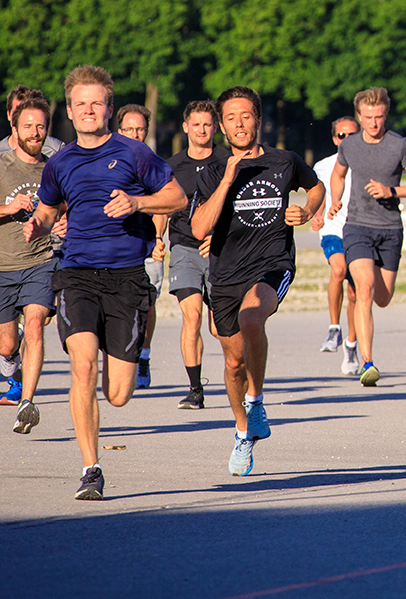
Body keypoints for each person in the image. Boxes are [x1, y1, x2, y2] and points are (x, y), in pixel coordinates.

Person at [23, 66, 185, 499]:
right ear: (70, 111)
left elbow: (177, 197)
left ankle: (114, 390)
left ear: (109, 109)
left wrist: (137, 202)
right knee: (83, 366)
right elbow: (48, 208)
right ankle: (90, 468)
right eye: (81, 104)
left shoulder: (135, 153)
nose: (89, 110)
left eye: (97, 103)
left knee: (118, 394)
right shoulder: (60, 162)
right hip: (76, 274)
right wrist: (39, 223)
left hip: (127, 279)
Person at [189, 87, 323, 477]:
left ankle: (257, 400)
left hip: (272, 263)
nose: (239, 124)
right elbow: (198, 228)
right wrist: (228, 179)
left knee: (252, 317)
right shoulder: (213, 170)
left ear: (258, 120)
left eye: (246, 116)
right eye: (231, 118)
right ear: (221, 126)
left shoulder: (284, 161)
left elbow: (316, 187)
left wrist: (307, 211)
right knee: (233, 363)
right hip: (225, 274)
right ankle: (243, 431)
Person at [325, 87, 406, 387]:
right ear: (359, 116)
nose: (374, 123)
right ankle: (367, 362)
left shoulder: (399, 145)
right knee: (365, 287)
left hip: (390, 230)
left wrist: (391, 191)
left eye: (379, 117)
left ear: (386, 115)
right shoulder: (350, 145)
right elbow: (338, 174)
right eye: (368, 117)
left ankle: (365, 356)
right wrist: (335, 200)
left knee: (382, 298)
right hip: (357, 226)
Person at [156, 100, 226, 409]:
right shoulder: (171, 166)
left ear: (216, 127)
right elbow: (163, 206)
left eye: (207, 124)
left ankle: (240, 376)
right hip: (184, 248)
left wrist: (221, 236)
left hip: (221, 250)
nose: (202, 130)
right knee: (192, 315)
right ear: (186, 127)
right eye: (196, 124)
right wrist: (157, 238)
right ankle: (195, 389)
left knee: (220, 327)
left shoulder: (227, 161)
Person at [0, 93, 55, 433]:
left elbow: (67, 206)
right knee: (6, 344)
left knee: (35, 325)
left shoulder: (55, 168)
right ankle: (12, 358)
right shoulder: (2, 165)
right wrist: (9, 208)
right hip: (2, 265)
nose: (35, 132)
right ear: (15, 128)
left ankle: (27, 403)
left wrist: (63, 220)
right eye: (28, 126)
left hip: (40, 261)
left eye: (41, 127)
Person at [115, 105, 162, 390]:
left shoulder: (154, 163)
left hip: (148, 245)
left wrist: (159, 239)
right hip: (116, 245)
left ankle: (143, 355)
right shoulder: (108, 160)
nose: (135, 134)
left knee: (148, 302)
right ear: (119, 130)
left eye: (140, 129)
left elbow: (165, 205)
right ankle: (119, 359)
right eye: (129, 129)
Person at [311, 117, 359, 371]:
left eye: (352, 135)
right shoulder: (323, 166)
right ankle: (334, 328)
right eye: (342, 135)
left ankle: (351, 346)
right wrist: (317, 214)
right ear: (334, 139)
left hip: (360, 231)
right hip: (333, 229)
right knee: (338, 270)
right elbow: (318, 194)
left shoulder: (366, 163)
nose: (347, 140)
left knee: (355, 293)